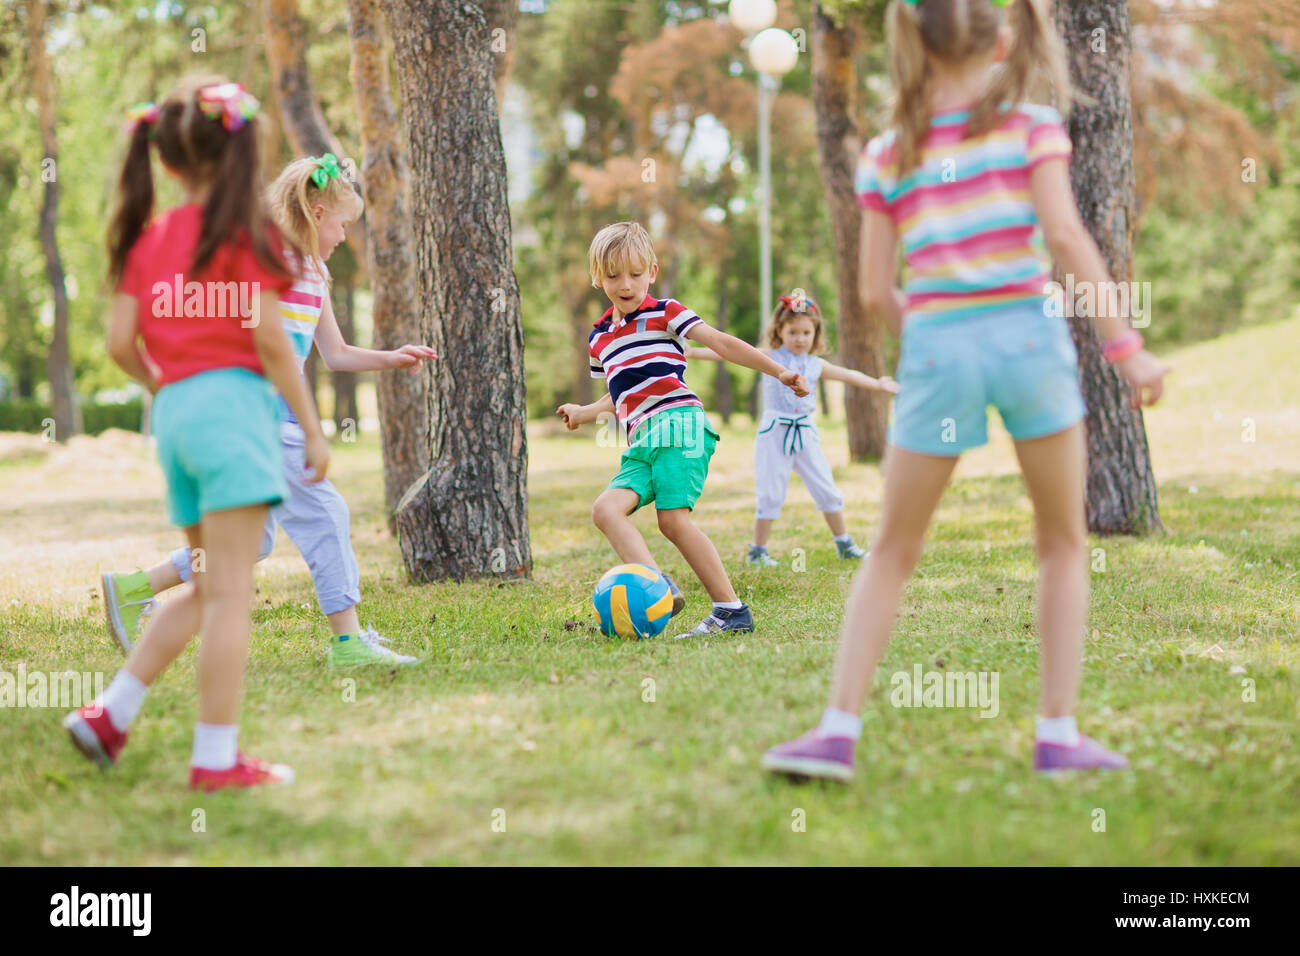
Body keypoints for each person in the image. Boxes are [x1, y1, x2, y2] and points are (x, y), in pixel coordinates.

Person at [762, 0, 1169, 780]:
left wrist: (944, 334)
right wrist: (1129, 350)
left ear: (909, 40)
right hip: (1028, 344)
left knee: (891, 551)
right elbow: (1066, 237)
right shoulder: (1031, 127)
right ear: (1007, 36)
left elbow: (878, 291)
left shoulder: (887, 153)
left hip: (941, 353)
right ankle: (1058, 738)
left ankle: (837, 732)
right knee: (1060, 542)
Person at [65, 76, 330, 790]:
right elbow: (274, 344)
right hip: (234, 414)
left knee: (210, 582)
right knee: (233, 595)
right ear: (242, 156)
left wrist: (170, 387)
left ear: (171, 162)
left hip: (175, 419)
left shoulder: (148, 237)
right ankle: (215, 759)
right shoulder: (249, 234)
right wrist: (312, 429)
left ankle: (109, 715)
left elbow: (122, 341)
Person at [99, 152, 436, 667]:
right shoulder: (272, 265)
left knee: (250, 542)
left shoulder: (316, 275)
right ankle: (347, 642)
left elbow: (336, 353)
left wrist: (392, 357)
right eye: (343, 225)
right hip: (265, 421)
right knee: (327, 514)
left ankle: (135, 586)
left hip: (271, 423)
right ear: (318, 215)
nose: (345, 237)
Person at [556, 221, 810, 639]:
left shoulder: (666, 313)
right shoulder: (599, 338)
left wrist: (780, 371)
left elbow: (721, 343)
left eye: (636, 273)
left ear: (652, 272)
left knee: (672, 521)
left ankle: (731, 611)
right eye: (614, 275)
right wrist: (584, 412)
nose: (626, 284)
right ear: (597, 278)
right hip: (641, 441)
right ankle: (659, 587)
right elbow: (620, 395)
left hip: (679, 425)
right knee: (605, 510)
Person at [686, 291, 898, 567]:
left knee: (827, 488)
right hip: (774, 433)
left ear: (816, 333)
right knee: (771, 492)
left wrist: (878, 384)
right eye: (794, 332)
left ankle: (844, 544)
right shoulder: (770, 356)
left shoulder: (816, 364)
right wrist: (693, 353)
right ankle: (758, 551)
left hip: (806, 434)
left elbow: (849, 375)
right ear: (779, 331)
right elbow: (727, 353)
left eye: (806, 333)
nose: (800, 338)